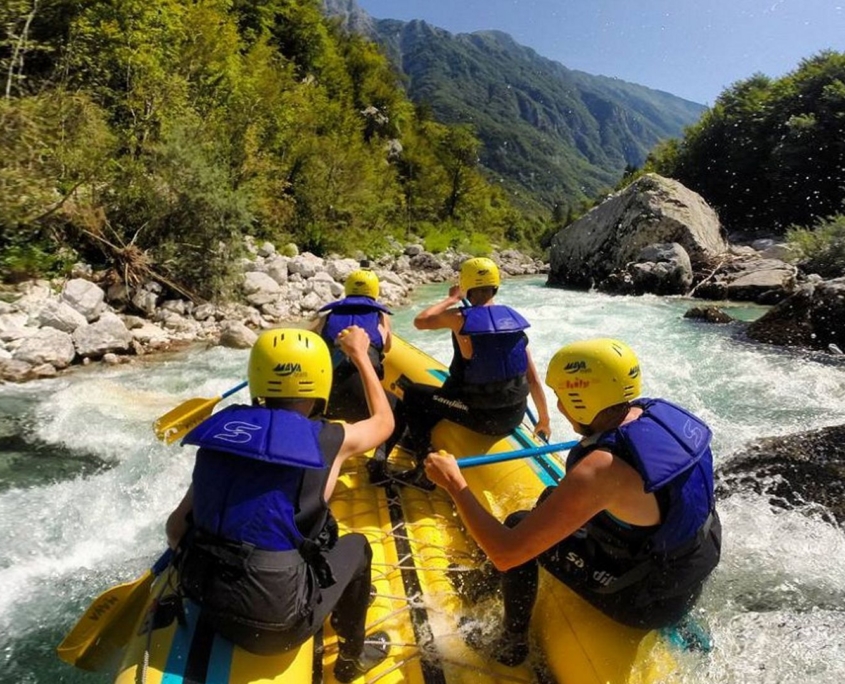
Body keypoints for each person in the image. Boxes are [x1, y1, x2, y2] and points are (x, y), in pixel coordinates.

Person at [424, 338, 721, 666]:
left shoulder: (601, 470)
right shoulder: (657, 413)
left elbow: (506, 553)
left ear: (582, 399)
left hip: (643, 599)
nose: (560, 407)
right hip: (683, 572)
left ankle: (511, 644)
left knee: (518, 527)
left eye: (562, 398)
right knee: (552, 497)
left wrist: (454, 483)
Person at [165, 327, 394, 682]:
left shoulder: (219, 434)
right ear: (321, 380)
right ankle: (353, 658)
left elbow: (176, 528)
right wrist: (361, 355)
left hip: (206, 600)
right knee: (357, 547)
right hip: (276, 625)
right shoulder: (330, 438)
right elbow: (384, 422)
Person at [386, 257, 551, 489]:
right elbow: (532, 379)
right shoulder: (512, 322)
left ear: (466, 285)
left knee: (412, 394)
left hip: (482, 417)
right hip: (514, 415)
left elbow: (420, 321)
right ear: (496, 285)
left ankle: (424, 470)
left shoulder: (459, 318)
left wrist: (453, 298)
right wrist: (544, 420)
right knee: (438, 397)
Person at [311, 267, 395, 481]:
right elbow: (386, 347)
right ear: (374, 291)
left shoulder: (328, 316)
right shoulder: (379, 315)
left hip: (328, 403)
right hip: (364, 407)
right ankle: (380, 458)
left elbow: (312, 345)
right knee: (398, 409)